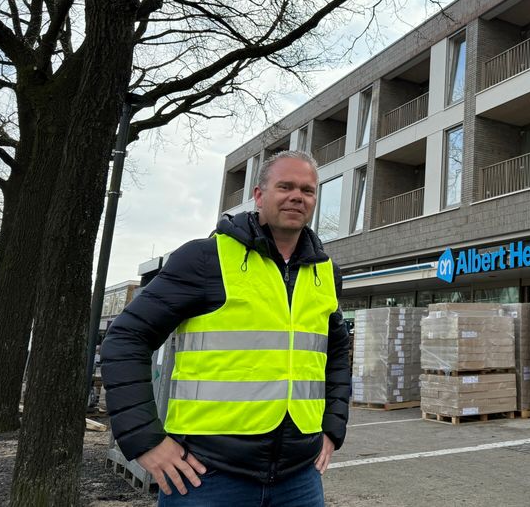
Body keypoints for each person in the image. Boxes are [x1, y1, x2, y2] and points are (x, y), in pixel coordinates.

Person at [102, 151, 351, 506]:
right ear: (259, 195)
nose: (298, 196)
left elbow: (337, 353)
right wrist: (145, 439)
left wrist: (332, 428)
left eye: (308, 190)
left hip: (299, 478)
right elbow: (127, 338)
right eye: (285, 186)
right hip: (206, 477)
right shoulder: (206, 259)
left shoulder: (325, 272)